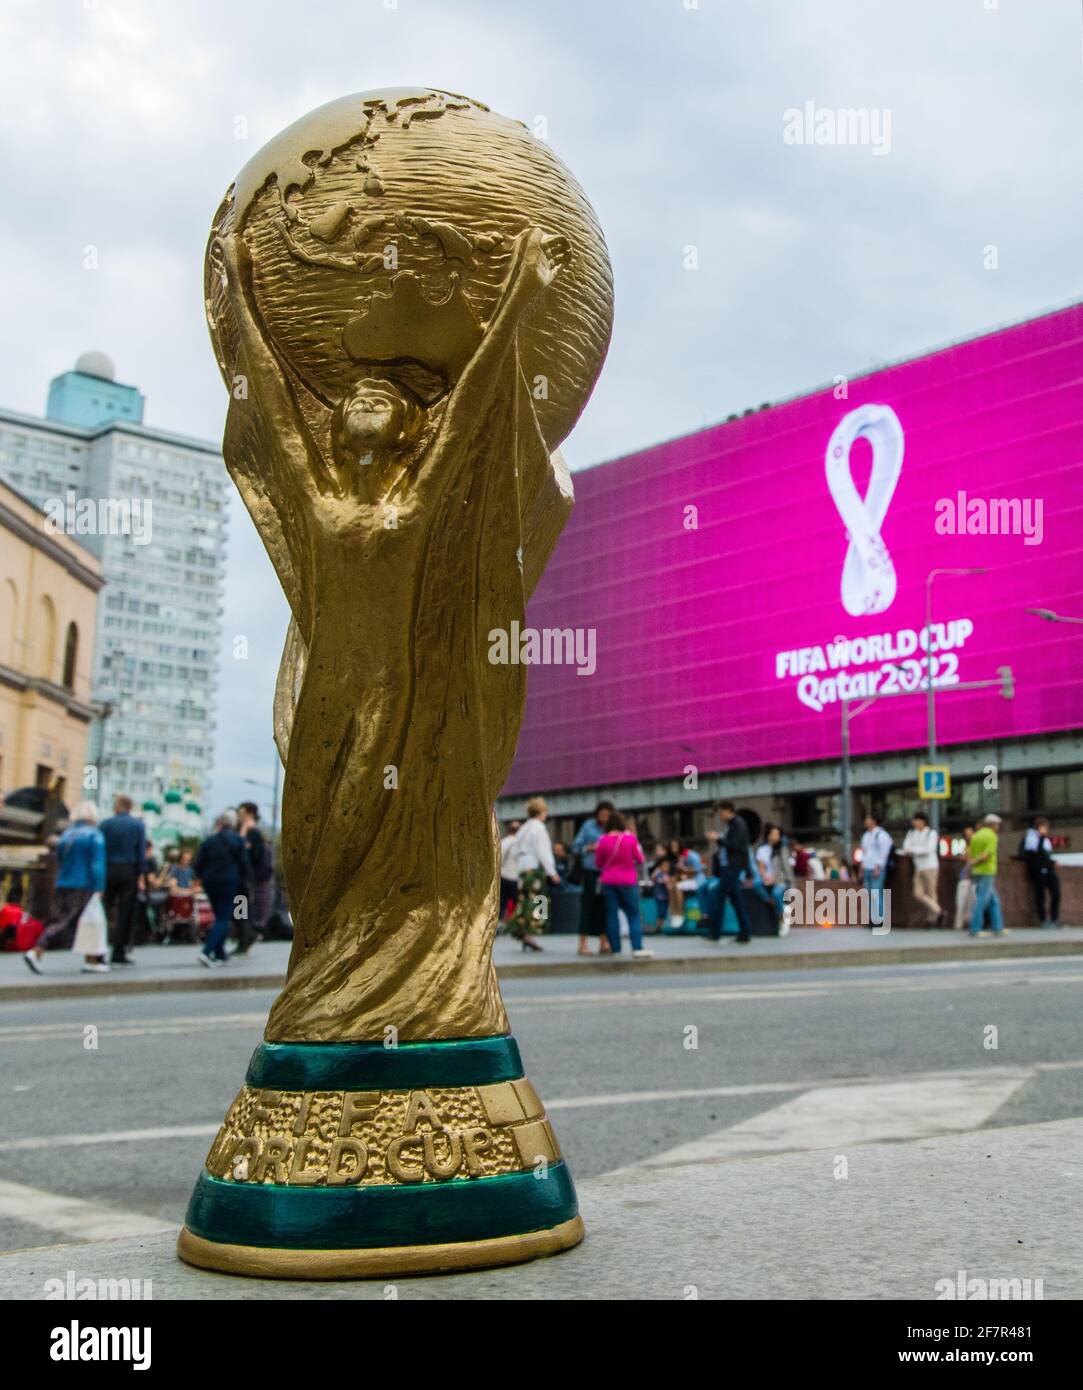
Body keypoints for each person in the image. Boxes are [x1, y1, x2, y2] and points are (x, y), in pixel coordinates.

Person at [24, 801, 108, 974]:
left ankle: (91, 959)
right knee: (75, 921)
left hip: (63, 882)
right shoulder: (94, 835)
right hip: (84, 884)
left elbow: (60, 859)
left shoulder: (67, 834)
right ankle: (37, 950)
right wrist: (99, 886)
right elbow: (97, 864)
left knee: (66, 918)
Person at [193, 810, 248, 966]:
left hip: (210, 882)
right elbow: (244, 865)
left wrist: (203, 877)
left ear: (219, 823)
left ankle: (219, 953)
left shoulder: (209, 841)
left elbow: (198, 864)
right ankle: (206, 951)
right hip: (229, 882)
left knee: (218, 916)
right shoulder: (237, 841)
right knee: (223, 918)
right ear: (232, 824)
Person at [594, 811, 652, 958]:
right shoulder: (629, 838)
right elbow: (640, 859)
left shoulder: (602, 840)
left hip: (608, 880)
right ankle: (637, 948)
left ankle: (616, 950)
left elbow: (599, 863)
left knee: (611, 915)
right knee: (633, 914)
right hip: (627, 880)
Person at [99, 794, 147, 966]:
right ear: (129, 807)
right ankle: (118, 952)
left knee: (103, 910)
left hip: (108, 869)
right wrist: (141, 876)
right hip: (129, 871)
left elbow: (100, 849)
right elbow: (141, 853)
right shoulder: (138, 825)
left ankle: (99, 951)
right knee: (125, 913)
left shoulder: (105, 824)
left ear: (118, 807)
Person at [508, 797, 560, 952]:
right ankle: (533, 931)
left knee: (524, 899)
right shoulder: (539, 828)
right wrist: (552, 871)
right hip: (534, 866)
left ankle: (520, 927)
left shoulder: (524, 828)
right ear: (542, 811)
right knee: (539, 898)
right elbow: (543, 851)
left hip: (523, 867)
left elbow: (515, 849)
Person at [572, 800, 615, 957]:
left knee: (604, 907)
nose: (604, 818)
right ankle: (582, 943)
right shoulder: (588, 826)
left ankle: (604, 942)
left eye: (607, 815)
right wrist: (589, 848)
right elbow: (576, 846)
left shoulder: (613, 829)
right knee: (587, 906)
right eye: (602, 814)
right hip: (591, 871)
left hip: (607, 872)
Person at [235, 802, 274, 954]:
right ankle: (243, 939)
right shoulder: (247, 831)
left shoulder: (252, 833)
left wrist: (243, 835)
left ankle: (245, 938)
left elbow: (249, 855)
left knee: (242, 910)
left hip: (246, 880)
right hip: (244, 879)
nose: (239, 816)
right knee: (240, 910)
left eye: (241, 813)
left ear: (249, 814)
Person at [711, 800, 752, 944]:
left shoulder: (738, 824)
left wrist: (718, 839)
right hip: (729, 867)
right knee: (736, 901)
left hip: (732, 867)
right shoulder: (732, 825)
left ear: (728, 810)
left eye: (721, 812)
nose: (720, 816)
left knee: (720, 898)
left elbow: (736, 846)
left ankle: (715, 933)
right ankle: (745, 932)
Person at [901, 810, 946, 927]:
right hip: (918, 867)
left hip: (930, 866)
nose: (914, 822)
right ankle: (938, 911)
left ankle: (932, 919)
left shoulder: (931, 833)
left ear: (923, 821)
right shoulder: (911, 833)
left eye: (916, 820)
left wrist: (914, 850)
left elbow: (929, 849)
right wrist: (916, 850)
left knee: (931, 892)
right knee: (918, 893)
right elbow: (906, 848)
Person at [967, 813, 1007, 938]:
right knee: (982, 899)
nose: (998, 828)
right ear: (993, 825)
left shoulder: (976, 835)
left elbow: (969, 854)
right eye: (997, 825)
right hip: (987, 870)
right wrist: (977, 860)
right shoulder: (992, 836)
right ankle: (975, 928)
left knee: (993, 900)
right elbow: (987, 855)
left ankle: (998, 927)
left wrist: (973, 862)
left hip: (976, 871)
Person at [1023, 816, 1061, 928]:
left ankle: (1054, 918)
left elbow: (1046, 855)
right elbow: (1036, 853)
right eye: (1044, 827)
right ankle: (1043, 919)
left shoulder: (1046, 840)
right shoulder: (1031, 838)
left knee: (1056, 892)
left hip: (1049, 869)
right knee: (1040, 895)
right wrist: (1041, 838)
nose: (1046, 829)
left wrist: (1053, 862)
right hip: (1037, 870)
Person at [859, 812, 893, 928]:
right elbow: (864, 853)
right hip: (867, 867)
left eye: (868, 819)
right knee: (868, 893)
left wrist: (878, 866)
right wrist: (862, 867)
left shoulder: (881, 835)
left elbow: (884, 853)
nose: (866, 821)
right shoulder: (866, 835)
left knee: (876, 892)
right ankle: (871, 918)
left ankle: (881, 918)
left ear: (874, 821)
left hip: (876, 868)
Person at [754, 823, 793, 924]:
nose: (776, 836)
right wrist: (765, 876)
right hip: (766, 877)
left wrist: (775, 879)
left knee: (776, 893)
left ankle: (781, 916)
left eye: (778, 834)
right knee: (756, 883)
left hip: (780, 878)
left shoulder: (782, 850)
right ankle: (770, 901)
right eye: (773, 834)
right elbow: (761, 867)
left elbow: (786, 869)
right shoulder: (762, 850)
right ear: (768, 835)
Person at [953, 825, 976, 930]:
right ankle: (958, 924)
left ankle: (971, 923)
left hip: (975, 877)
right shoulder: (965, 848)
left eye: (971, 834)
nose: (969, 837)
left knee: (972, 902)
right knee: (961, 901)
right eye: (967, 835)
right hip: (965, 877)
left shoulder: (977, 847)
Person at [498, 819, 522, 921]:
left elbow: (499, 859)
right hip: (515, 877)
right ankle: (514, 922)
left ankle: (498, 922)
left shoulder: (503, 842)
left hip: (503, 875)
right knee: (517, 901)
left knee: (502, 901)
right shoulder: (520, 844)